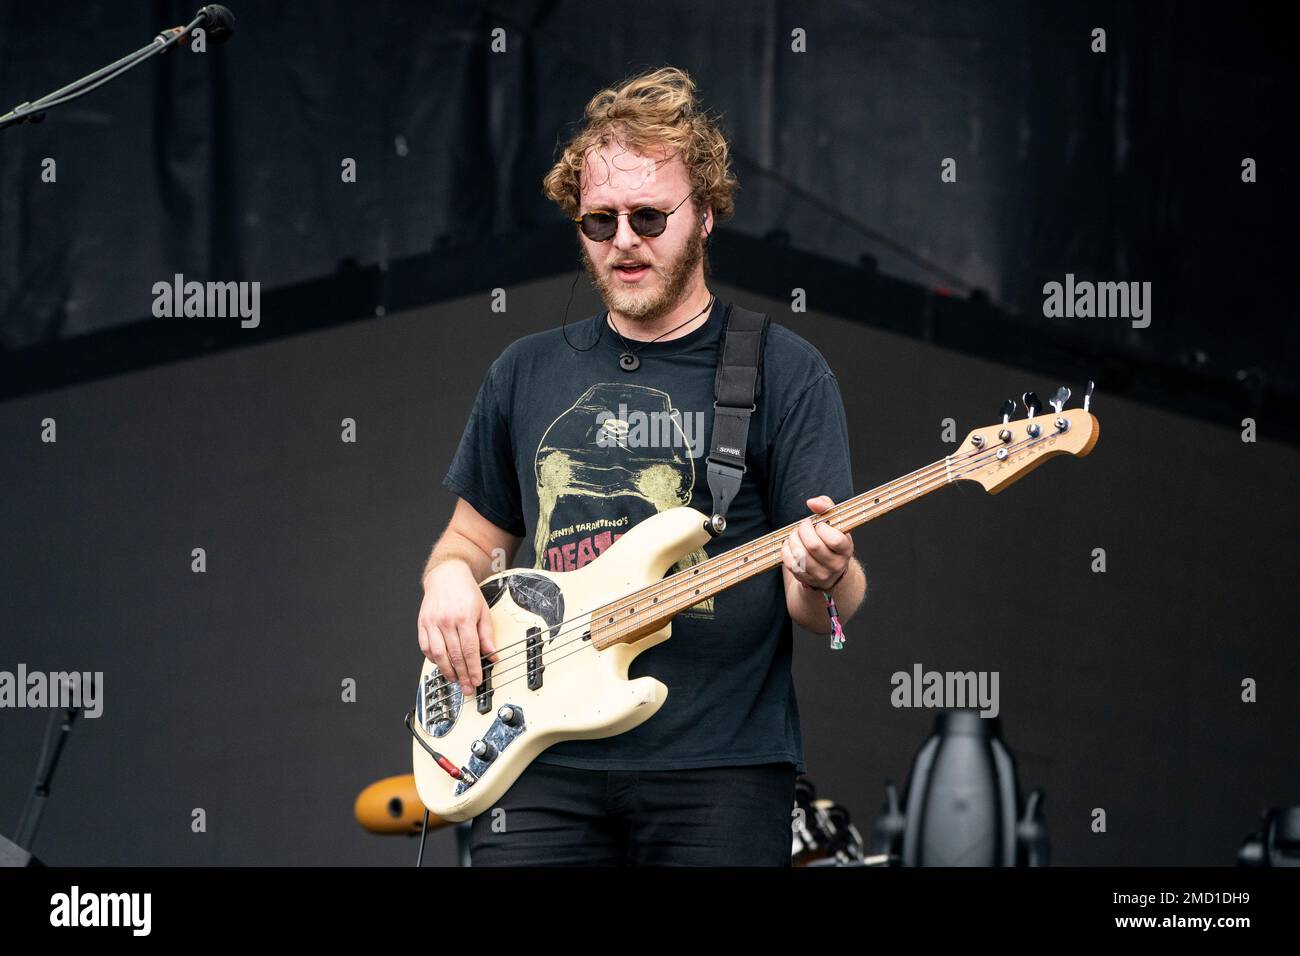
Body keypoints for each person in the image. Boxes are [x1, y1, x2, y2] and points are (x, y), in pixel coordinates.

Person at [417, 65, 866, 866]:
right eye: (600, 221)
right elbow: (468, 541)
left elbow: (825, 606)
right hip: (537, 758)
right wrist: (447, 581)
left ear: (706, 218)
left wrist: (826, 571)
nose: (624, 239)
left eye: (651, 216)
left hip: (719, 770)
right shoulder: (524, 371)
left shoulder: (784, 370)